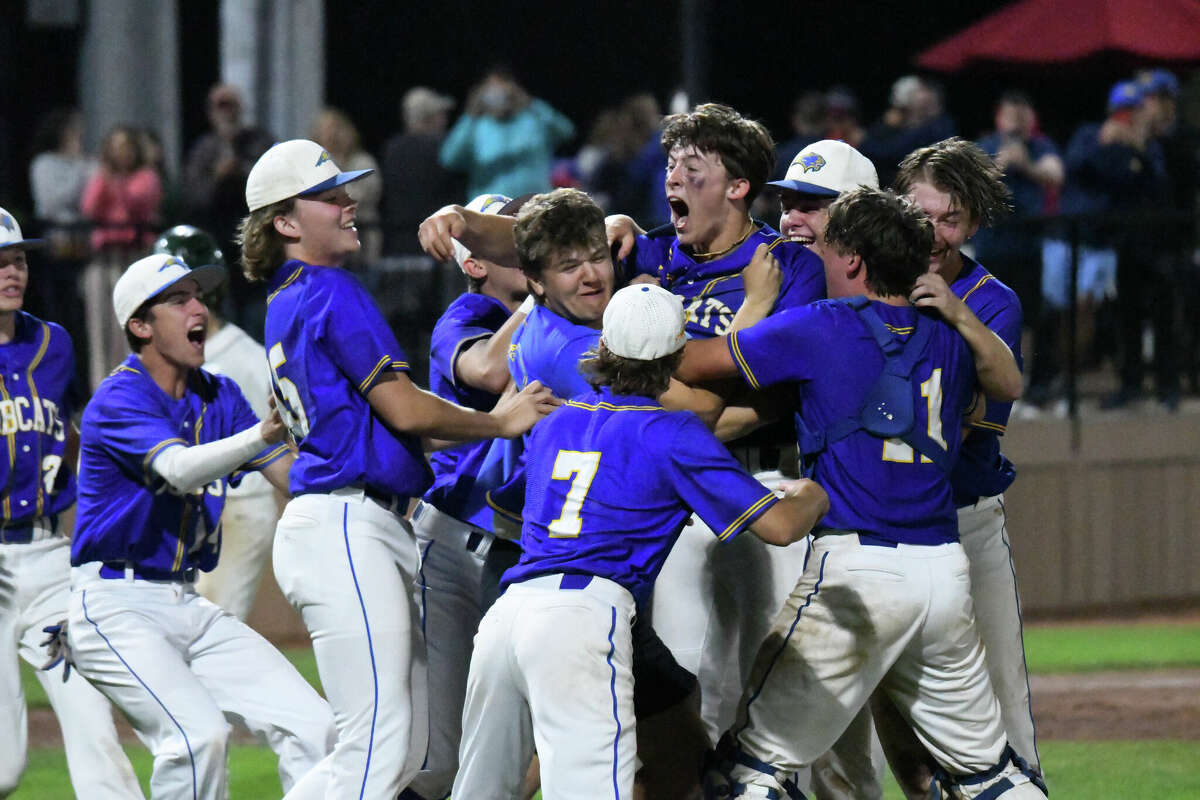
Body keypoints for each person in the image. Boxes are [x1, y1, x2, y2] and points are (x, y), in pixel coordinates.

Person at [677, 187, 1041, 800]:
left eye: (829, 247)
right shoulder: (948, 336)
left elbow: (698, 361)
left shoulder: (822, 326)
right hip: (942, 573)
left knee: (751, 767)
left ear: (851, 261)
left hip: (857, 568)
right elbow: (1006, 379)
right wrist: (957, 314)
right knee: (990, 777)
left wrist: (754, 301)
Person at [239, 138, 557, 799]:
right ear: (285, 223)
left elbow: (383, 427)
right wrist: (499, 422)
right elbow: (407, 410)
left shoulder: (288, 297)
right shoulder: (330, 290)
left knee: (409, 751)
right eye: (328, 197)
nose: (348, 203)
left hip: (354, 519)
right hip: (345, 522)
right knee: (381, 749)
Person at [452, 282, 829, 800]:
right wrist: (814, 494)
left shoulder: (556, 421)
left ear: (603, 345)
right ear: (678, 356)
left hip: (508, 616)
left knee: (480, 793)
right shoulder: (673, 433)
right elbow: (781, 527)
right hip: (583, 617)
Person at [65, 252, 336, 800]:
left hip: (188, 602)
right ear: (139, 326)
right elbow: (180, 469)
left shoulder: (219, 394)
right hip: (114, 605)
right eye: (179, 299)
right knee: (196, 738)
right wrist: (263, 434)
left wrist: (360, 491)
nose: (199, 309)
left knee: (316, 726)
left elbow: (290, 477)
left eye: (199, 296)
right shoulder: (119, 398)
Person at [605, 102, 827, 745]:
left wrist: (689, 418)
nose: (672, 178)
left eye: (692, 168)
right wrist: (460, 220)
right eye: (671, 164)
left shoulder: (790, 265)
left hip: (766, 483)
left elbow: (782, 392)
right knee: (685, 679)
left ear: (738, 187)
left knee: (780, 696)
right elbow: (549, 249)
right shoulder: (646, 252)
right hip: (676, 497)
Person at [890, 137, 1044, 793]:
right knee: (883, 716)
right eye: (920, 213)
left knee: (1002, 697)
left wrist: (949, 313)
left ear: (974, 223)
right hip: (876, 529)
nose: (932, 232)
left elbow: (973, 420)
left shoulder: (990, 300)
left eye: (949, 220)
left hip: (963, 520)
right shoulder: (860, 280)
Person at [0, 208, 142, 799]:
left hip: (47, 558)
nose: (13, 271)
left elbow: (76, 432)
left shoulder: (53, 343)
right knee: (4, 767)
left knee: (94, 729)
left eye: (18, 258)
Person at [405, 192, 534, 800]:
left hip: (520, 554)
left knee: (515, 745)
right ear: (476, 262)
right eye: (504, 237)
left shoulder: (561, 320)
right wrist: (549, 287)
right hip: (454, 545)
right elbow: (486, 370)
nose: (524, 245)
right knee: (434, 760)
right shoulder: (466, 316)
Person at [152, 225, 279, 622]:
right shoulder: (171, 356)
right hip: (195, 505)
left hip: (240, 507)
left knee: (210, 632)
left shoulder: (246, 357)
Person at [183, 83, 275, 337]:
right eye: (219, 106)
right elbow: (193, 195)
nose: (225, 112)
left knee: (259, 318)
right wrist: (217, 176)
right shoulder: (203, 149)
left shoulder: (258, 140)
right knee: (224, 319)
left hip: (253, 241)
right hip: (218, 243)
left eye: (230, 105)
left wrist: (241, 171)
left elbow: (271, 183)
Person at [80, 125, 164, 390]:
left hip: (133, 258)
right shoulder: (101, 177)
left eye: (125, 147)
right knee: (99, 328)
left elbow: (136, 204)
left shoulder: (147, 177)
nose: (120, 153)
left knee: (127, 327)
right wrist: (104, 178)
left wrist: (116, 184)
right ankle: (101, 387)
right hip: (103, 259)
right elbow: (90, 208)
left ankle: (131, 386)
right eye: (114, 148)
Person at [439, 68, 576, 198]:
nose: (498, 96)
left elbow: (567, 132)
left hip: (535, 206)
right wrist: (470, 115)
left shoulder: (533, 119)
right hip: (490, 211)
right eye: (491, 91)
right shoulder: (476, 127)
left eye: (502, 89)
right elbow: (449, 160)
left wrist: (531, 103)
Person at [381, 87, 463, 256]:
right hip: (438, 240)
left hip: (399, 241)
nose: (444, 119)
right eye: (440, 114)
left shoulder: (392, 148)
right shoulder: (443, 148)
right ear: (429, 118)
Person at [310, 107, 384, 264]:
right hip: (325, 244)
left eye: (337, 128)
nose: (334, 135)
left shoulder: (363, 161)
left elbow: (365, 194)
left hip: (363, 240)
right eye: (327, 130)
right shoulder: (314, 163)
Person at [860, 75, 956, 189]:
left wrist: (876, 135)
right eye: (918, 92)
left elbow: (888, 152)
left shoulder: (937, 127)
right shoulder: (904, 125)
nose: (923, 96)